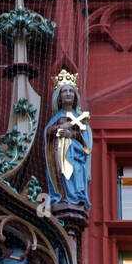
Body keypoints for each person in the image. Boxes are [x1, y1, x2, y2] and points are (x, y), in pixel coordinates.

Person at [44, 71, 91, 207]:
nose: (68, 94)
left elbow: (85, 142)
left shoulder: (80, 119)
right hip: (59, 151)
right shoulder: (56, 118)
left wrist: (72, 135)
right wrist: (59, 129)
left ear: (75, 96)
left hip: (76, 153)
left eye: (71, 91)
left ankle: (76, 197)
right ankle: (63, 196)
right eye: (65, 91)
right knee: (62, 171)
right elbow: (47, 132)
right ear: (59, 96)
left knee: (76, 171)